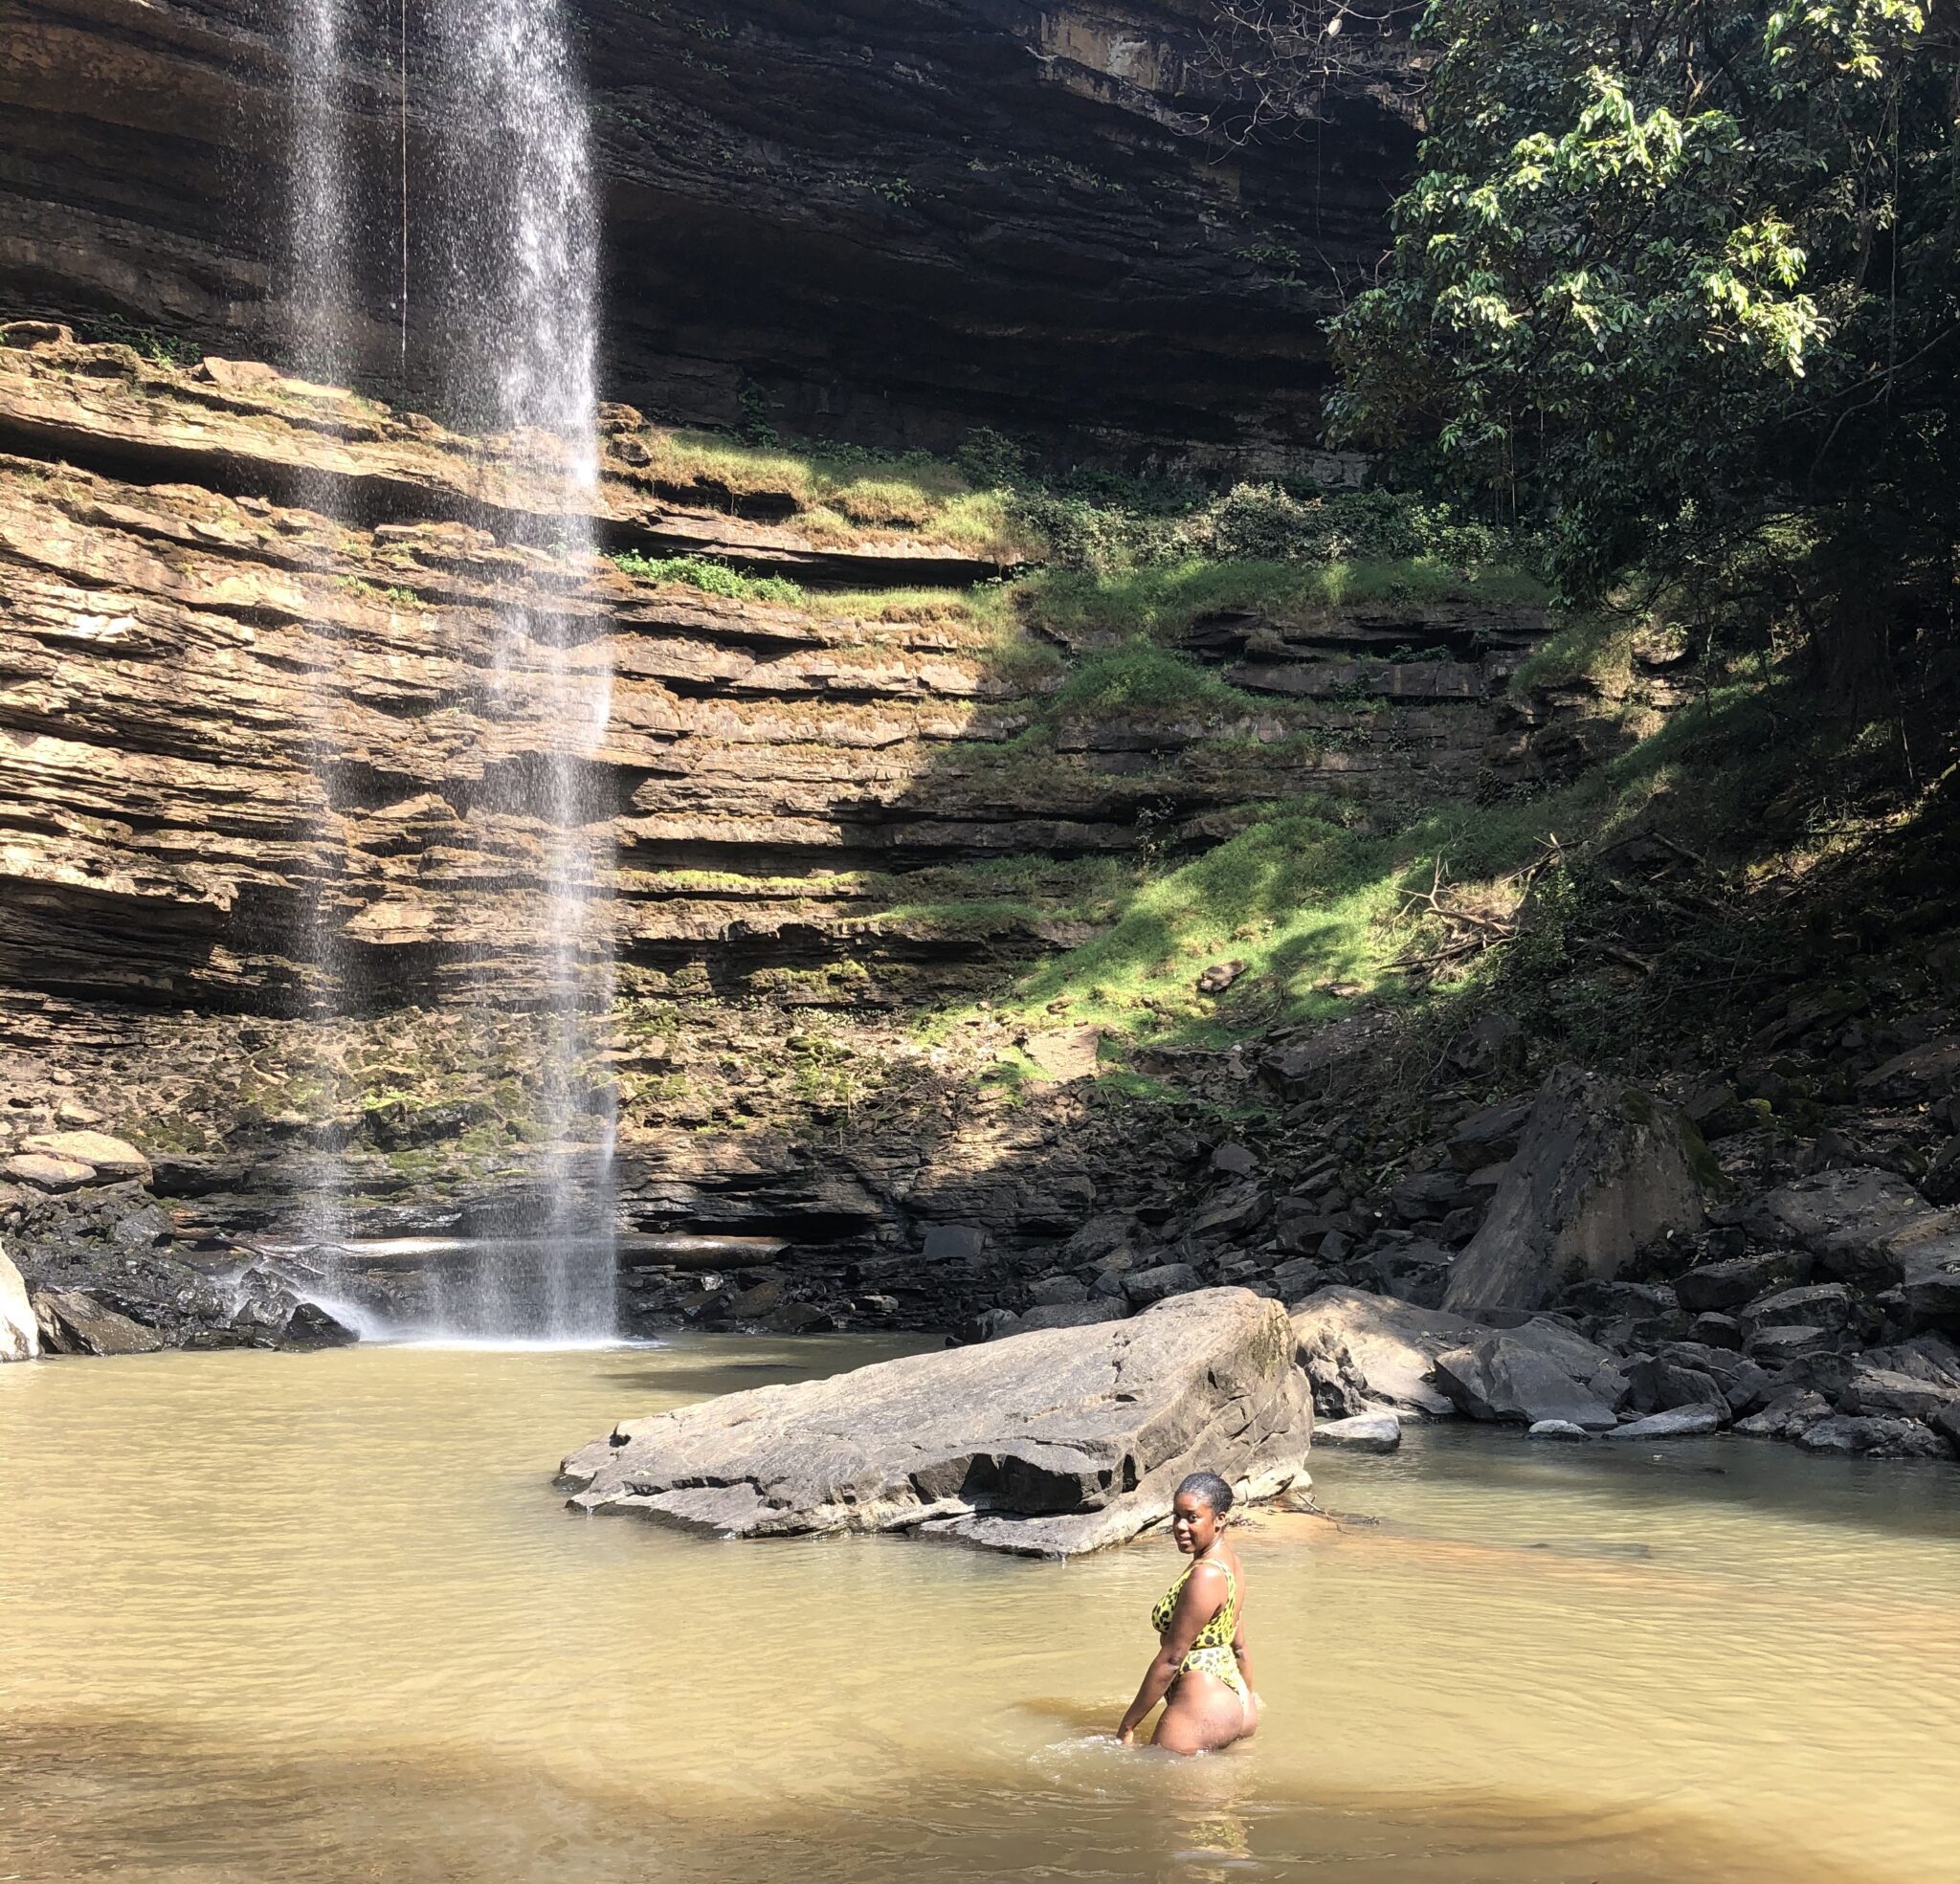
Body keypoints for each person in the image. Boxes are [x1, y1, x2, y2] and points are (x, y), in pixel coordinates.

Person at [1115, 1471, 1258, 1754]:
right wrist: (1248, 1700)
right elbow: (1239, 1646)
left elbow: (1171, 1659)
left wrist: (1127, 1726)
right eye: (1176, 1516)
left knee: (1157, 1795)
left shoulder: (1205, 1576)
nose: (1179, 1526)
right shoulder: (1231, 1563)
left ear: (1220, 1519)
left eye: (1192, 1517)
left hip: (1203, 1708)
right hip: (1234, 1701)